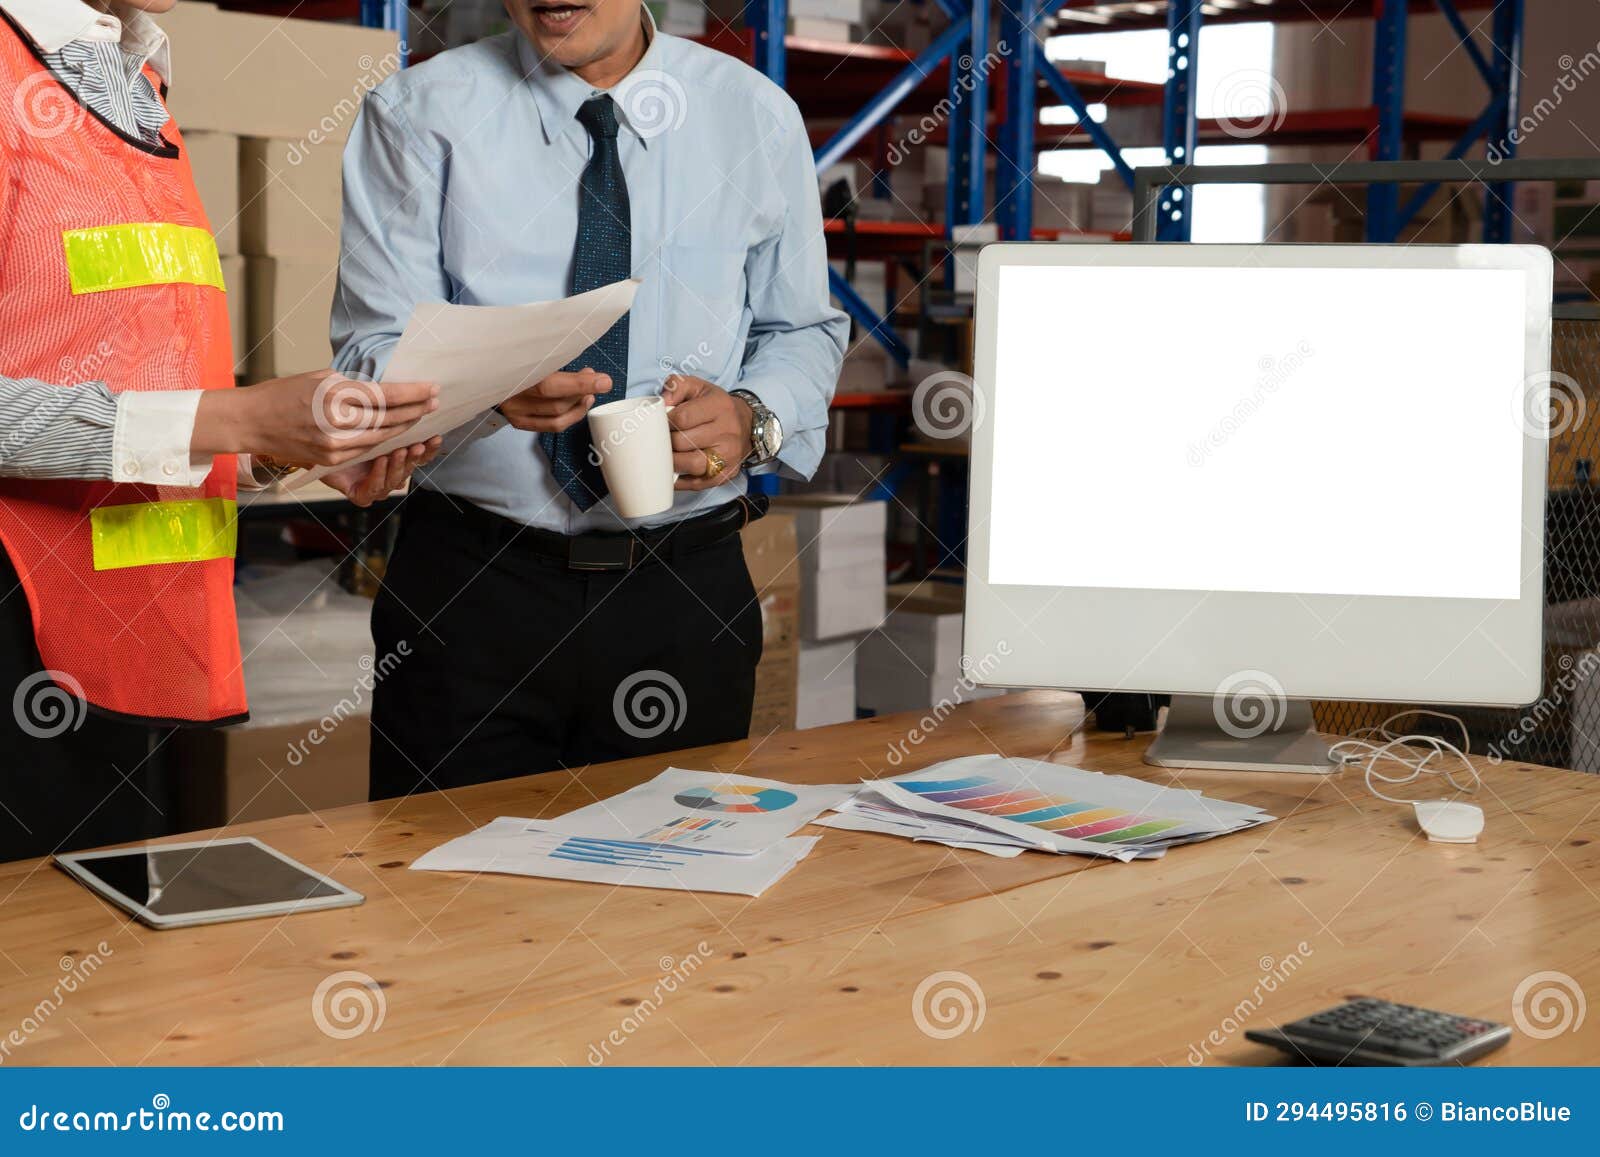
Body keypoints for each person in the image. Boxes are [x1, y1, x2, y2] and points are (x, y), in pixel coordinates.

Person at [335, 0, 846, 799]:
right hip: (471, 595)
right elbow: (370, 354)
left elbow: (803, 328)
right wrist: (487, 386)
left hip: (681, 593)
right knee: (440, 906)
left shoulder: (753, 118)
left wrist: (754, 416)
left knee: (667, 901)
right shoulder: (416, 115)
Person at [0, 0, 440, 862]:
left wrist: (272, 448)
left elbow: (128, 370)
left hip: (130, 640)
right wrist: (232, 413)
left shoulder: (135, 78)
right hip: (16, 627)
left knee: (122, 973)